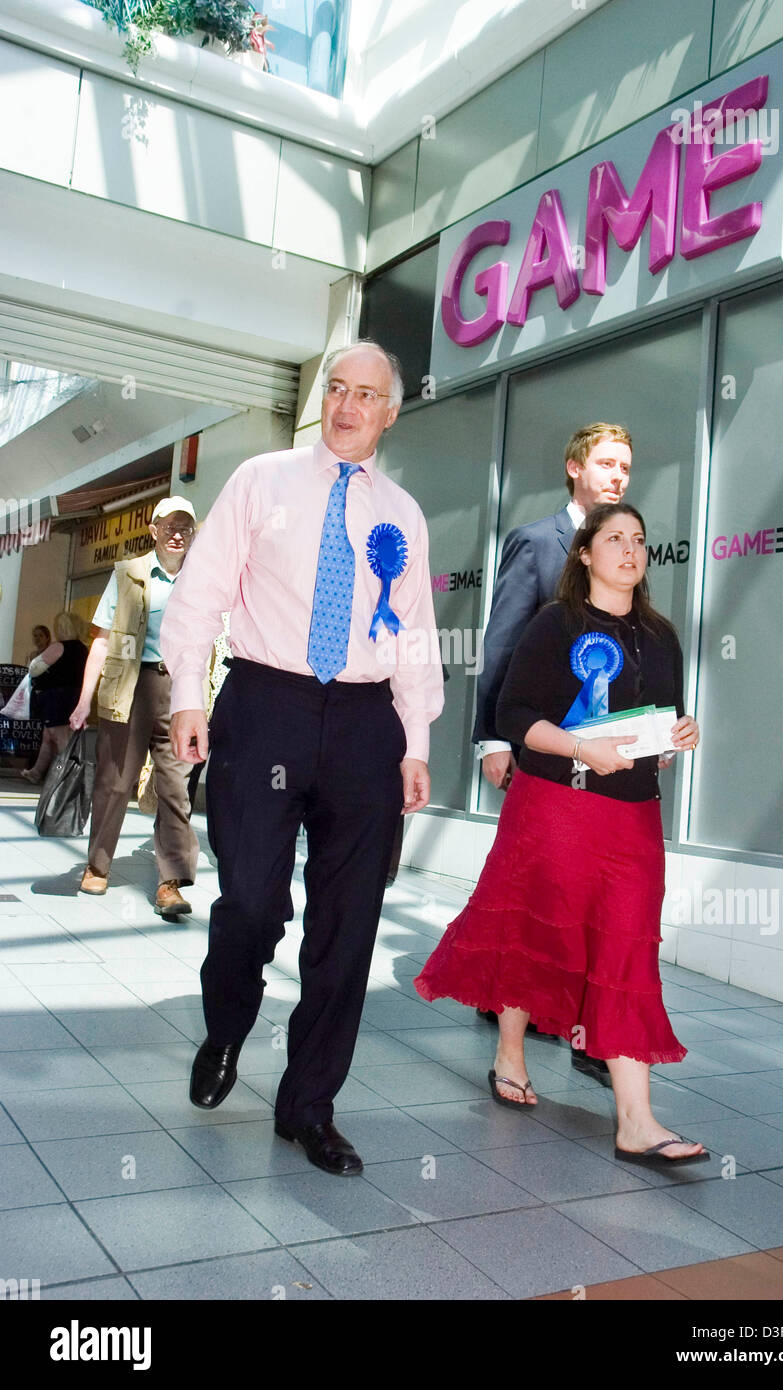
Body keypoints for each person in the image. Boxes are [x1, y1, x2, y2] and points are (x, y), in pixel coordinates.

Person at [161, 340, 444, 1178]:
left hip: (364, 723)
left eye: (368, 395)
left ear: (391, 411)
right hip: (265, 704)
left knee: (347, 926)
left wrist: (415, 741)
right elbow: (202, 589)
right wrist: (184, 693)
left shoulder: (404, 513)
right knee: (250, 900)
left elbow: (416, 635)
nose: (350, 406)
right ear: (325, 398)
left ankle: (308, 1105)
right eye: (338, 389)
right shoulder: (260, 480)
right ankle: (226, 1026)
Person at [416, 502, 707, 1166]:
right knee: (538, 931)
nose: (630, 550)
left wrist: (676, 738)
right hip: (555, 806)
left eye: (638, 540)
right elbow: (515, 713)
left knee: (627, 951)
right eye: (614, 539)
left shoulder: (660, 634)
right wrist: (578, 748)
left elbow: (659, 720)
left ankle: (636, 1120)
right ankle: (510, 1051)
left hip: (633, 816)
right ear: (584, 554)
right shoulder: (555, 624)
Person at [473, 422, 633, 1077]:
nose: (617, 476)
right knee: (537, 887)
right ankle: (509, 1000)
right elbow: (503, 644)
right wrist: (491, 736)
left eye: (625, 466)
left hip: (603, 761)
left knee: (598, 890)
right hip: (540, 751)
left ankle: (588, 1030)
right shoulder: (537, 544)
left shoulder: (622, 550)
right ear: (574, 468)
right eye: (604, 463)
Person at [69, 498, 200, 917]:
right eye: (170, 525)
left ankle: (171, 883)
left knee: (176, 789)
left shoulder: (202, 579)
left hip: (180, 691)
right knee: (115, 782)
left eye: (186, 526)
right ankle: (97, 865)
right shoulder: (127, 574)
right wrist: (83, 700)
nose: (178, 533)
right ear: (154, 530)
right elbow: (103, 640)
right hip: (129, 686)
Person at [21, 613, 88, 784]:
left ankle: (69, 776)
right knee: (49, 735)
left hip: (56, 696)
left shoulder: (58, 647)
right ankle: (37, 772)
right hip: (74, 694)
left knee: (58, 735)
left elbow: (35, 669)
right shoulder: (82, 648)